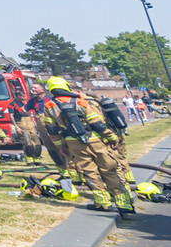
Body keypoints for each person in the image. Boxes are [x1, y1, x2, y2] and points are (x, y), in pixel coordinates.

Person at [41, 77, 133, 214]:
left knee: (90, 173)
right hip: (96, 141)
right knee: (109, 170)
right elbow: (96, 123)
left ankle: (103, 203)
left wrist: (60, 146)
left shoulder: (49, 106)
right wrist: (112, 137)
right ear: (66, 86)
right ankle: (124, 203)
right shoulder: (80, 101)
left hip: (73, 144)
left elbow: (51, 129)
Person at [26, 83, 67, 168]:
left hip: (54, 130)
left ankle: (69, 167)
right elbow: (24, 109)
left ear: (42, 90)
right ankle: (61, 168)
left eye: (35, 88)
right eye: (32, 88)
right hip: (43, 131)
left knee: (62, 148)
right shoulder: (32, 101)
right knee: (51, 150)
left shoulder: (50, 99)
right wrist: (30, 115)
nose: (33, 89)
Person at [98, 97, 137, 185]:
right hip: (120, 133)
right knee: (122, 156)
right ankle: (130, 177)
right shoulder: (113, 109)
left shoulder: (100, 110)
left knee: (115, 160)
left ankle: (122, 181)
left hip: (112, 137)